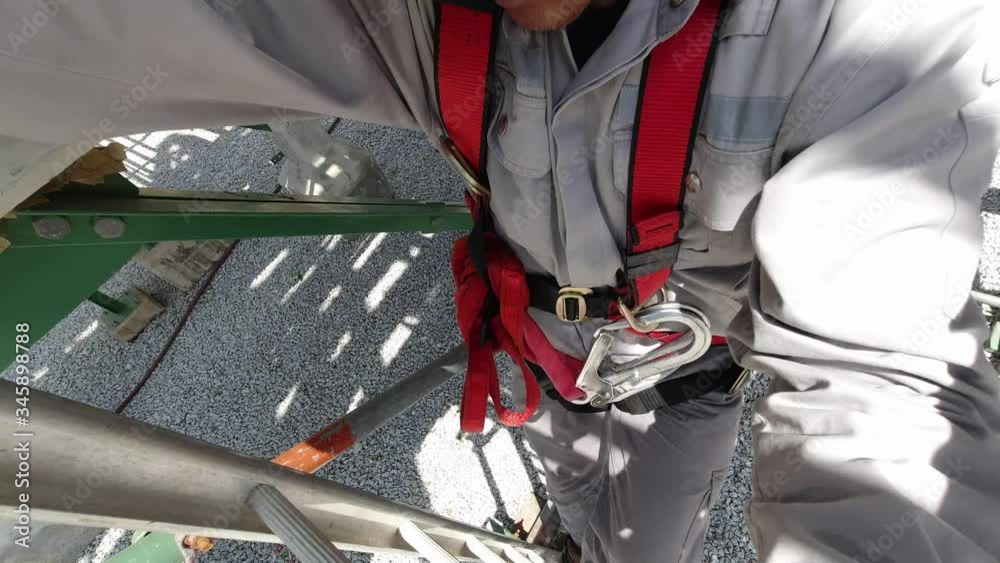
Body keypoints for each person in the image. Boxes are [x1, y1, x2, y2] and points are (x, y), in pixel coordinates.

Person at [1, 1, 998, 561]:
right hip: (536, 347)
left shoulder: (865, 30)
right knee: (583, 503)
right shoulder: (420, 20)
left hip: (687, 372)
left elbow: (887, 394)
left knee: (646, 546)